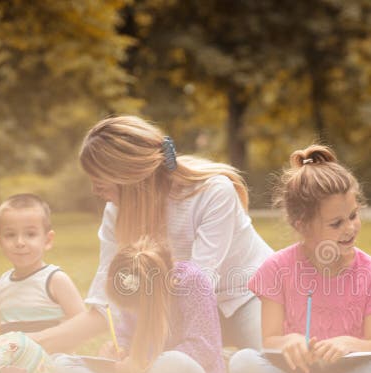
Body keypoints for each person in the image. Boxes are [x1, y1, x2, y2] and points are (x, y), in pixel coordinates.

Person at [30, 115, 272, 355]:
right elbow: (109, 300)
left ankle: (226, 358)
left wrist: (143, 342)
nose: (95, 191)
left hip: (247, 296)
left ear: (129, 176)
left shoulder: (213, 192)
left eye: (99, 182)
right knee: (142, 369)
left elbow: (198, 286)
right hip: (178, 311)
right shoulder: (117, 213)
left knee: (271, 360)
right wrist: (34, 342)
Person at [229, 145, 371, 373]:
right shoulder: (277, 268)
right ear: (302, 225)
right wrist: (289, 341)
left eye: (353, 215)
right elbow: (270, 339)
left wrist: (347, 343)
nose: (350, 228)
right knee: (242, 362)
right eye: (336, 223)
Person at [53, 237, 225, 373]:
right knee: (60, 365)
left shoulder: (192, 283)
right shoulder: (133, 286)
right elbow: (126, 334)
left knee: (171, 363)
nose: (134, 312)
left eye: (137, 307)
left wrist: (141, 364)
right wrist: (119, 350)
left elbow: (204, 349)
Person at [0, 193, 85, 334]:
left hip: (54, 355)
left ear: (47, 240)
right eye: (10, 235)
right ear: (0, 241)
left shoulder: (55, 280)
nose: (19, 242)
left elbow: (82, 325)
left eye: (30, 234)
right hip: (13, 356)